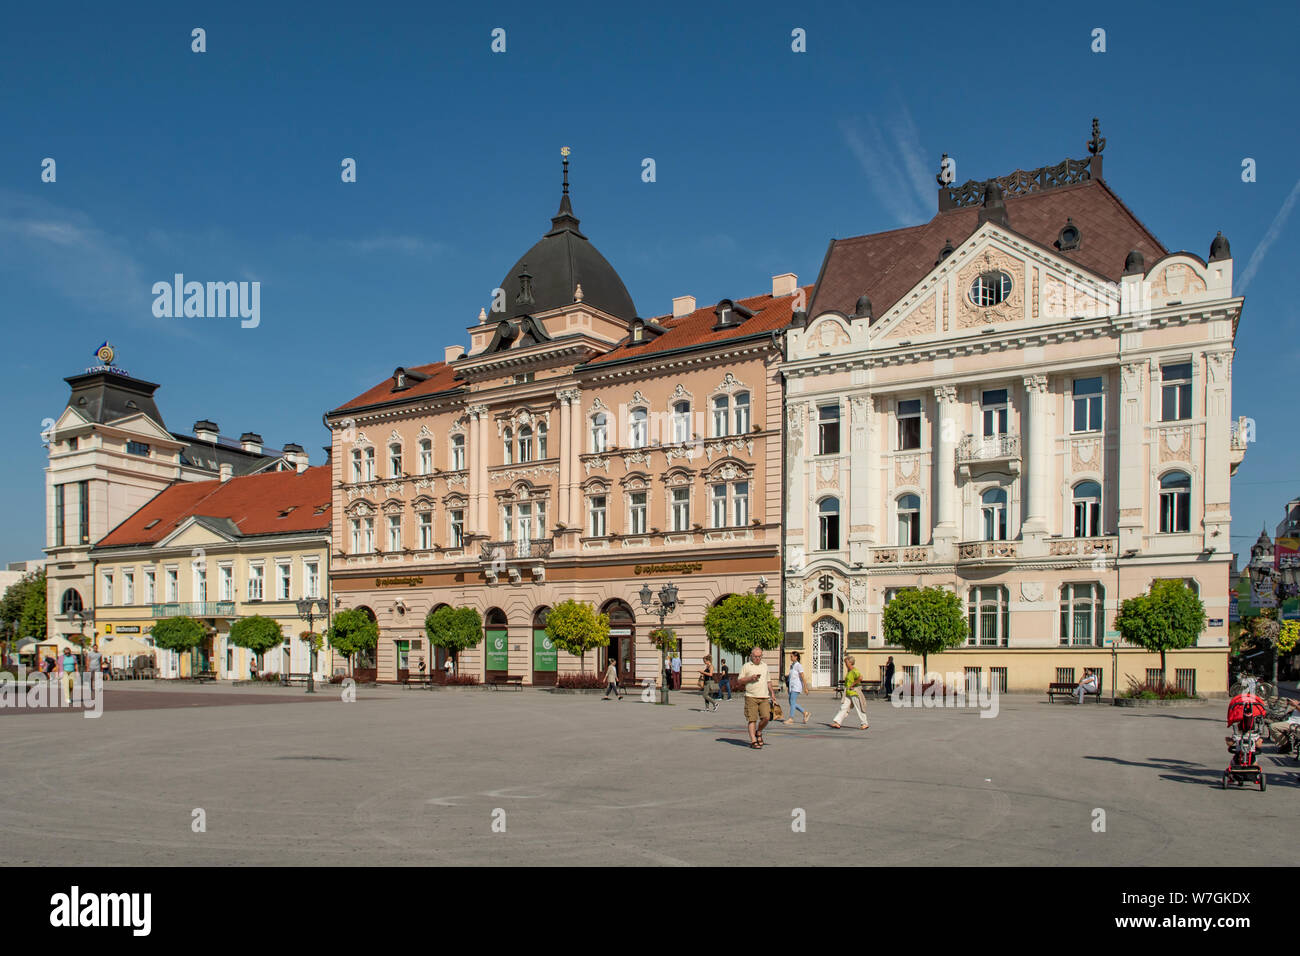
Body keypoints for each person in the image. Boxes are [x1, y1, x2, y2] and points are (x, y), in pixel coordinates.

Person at [736, 647, 777, 749]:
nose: (757, 658)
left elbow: (768, 681)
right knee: (752, 719)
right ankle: (753, 741)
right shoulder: (746, 666)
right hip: (751, 696)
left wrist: (772, 692)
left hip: (764, 696)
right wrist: (750, 678)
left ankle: (758, 732)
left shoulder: (765, 666)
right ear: (751, 656)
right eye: (755, 656)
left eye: (759, 656)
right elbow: (740, 681)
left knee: (767, 717)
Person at [831, 655, 869, 730]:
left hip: (854, 693)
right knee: (844, 707)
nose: (845, 664)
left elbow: (860, 678)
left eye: (846, 662)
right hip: (848, 693)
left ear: (850, 663)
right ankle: (837, 722)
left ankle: (864, 723)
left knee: (859, 708)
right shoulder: (850, 671)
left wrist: (853, 684)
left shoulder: (855, 671)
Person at [784, 651, 809, 725]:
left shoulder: (798, 665)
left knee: (792, 702)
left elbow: (802, 677)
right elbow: (791, 677)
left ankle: (791, 718)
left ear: (796, 657)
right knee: (791, 702)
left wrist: (805, 687)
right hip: (792, 686)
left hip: (796, 686)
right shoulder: (792, 665)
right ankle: (805, 713)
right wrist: (788, 686)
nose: (790, 658)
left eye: (791, 656)